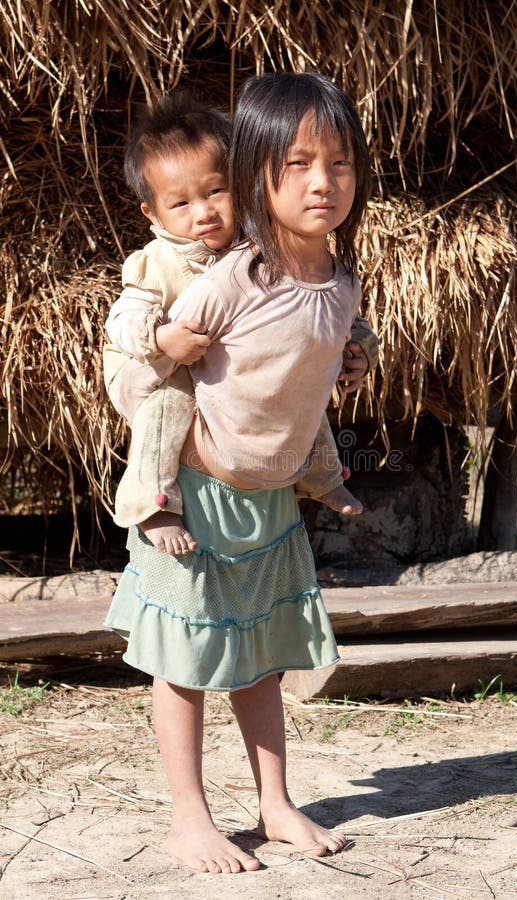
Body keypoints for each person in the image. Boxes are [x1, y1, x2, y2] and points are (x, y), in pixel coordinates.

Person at [104, 71, 371, 874]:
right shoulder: (232, 276)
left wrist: (357, 357)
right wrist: (163, 350)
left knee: (261, 658)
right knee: (183, 666)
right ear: (261, 171)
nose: (320, 182)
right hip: (196, 494)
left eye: (338, 164)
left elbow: (321, 351)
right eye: (295, 165)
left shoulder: (339, 281)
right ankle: (191, 818)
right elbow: (146, 359)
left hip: (269, 499)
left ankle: (276, 804)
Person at [103, 92, 379, 555]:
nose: (204, 212)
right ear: (153, 214)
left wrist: (360, 346)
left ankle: (324, 476)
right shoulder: (158, 262)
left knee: (303, 375)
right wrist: (160, 337)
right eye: (182, 204)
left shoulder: (260, 251)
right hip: (152, 369)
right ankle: (152, 502)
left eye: (215, 192)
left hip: (201, 365)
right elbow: (123, 322)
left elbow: (323, 321)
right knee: (170, 404)